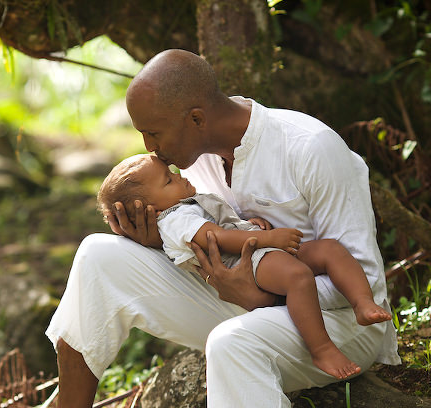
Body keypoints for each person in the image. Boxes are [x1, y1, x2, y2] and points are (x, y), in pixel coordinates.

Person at [0, 49, 400, 408]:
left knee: (231, 341)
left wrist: (263, 298)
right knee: (98, 254)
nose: (149, 147)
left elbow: (364, 283)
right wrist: (156, 244)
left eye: (153, 132)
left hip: (342, 325)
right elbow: (203, 241)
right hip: (252, 299)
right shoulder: (192, 158)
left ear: (197, 119)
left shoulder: (309, 147)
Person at [97, 153, 393, 380]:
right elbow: (217, 238)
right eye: (168, 180)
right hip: (243, 262)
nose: (177, 175)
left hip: (256, 250)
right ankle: (322, 349)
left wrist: (250, 225)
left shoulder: (186, 205)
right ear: (152, 210)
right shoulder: (173, 220)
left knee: (329, 250)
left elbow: (225, 224)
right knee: (298, 277)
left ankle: (362, 302)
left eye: (171, 172)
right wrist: (267, 236)